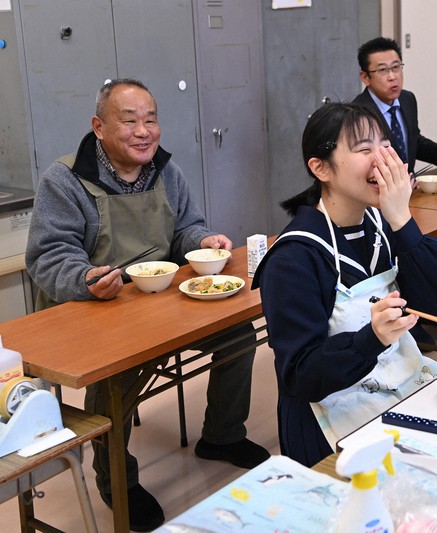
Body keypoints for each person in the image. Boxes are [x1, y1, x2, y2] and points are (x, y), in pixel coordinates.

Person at [25, 79, 268, 531]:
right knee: (116, 376)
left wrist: (203, 241)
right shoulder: (65, 180)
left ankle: (222, 435)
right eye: (129, 120)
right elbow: (48, 255)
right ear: (99, 127)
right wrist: (86, 279)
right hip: (91, 308)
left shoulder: (165, 171)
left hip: (159, 302)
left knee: (237, 335)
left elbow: (185, 228)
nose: (144, 131)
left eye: (151, 119)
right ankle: (118, 481)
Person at [253, 102, 437, 467]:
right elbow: (300, 375)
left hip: (398, 387)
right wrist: (371, 338)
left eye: (386, 146)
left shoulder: (382, 225)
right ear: (321, 168)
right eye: (365, 149)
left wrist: (402, 219)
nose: (383, 160)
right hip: (329, 416)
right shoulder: (293, 257)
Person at [353, 36, 437, 172]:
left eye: (396, 67)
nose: (392, 76)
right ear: (365, 77)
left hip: (410, 184)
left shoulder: (407, 99)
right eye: (383, 70)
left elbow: (413, 142)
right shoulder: (357, 113)